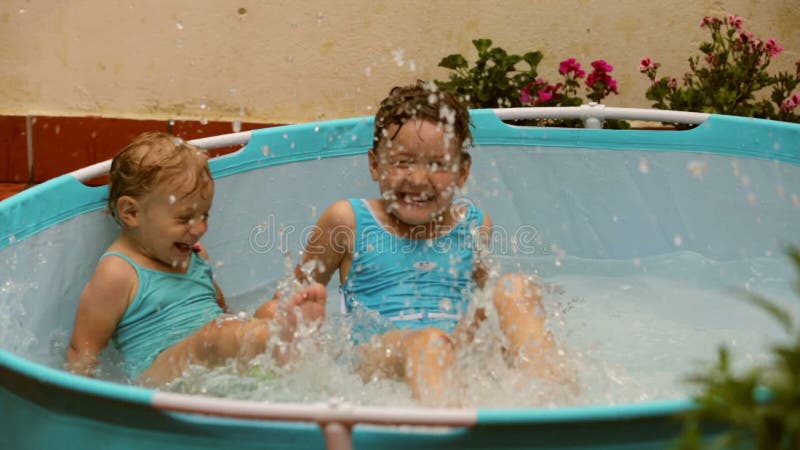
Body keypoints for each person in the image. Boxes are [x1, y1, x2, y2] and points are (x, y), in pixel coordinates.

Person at [297, 82, 570, 404]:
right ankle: (451, 430)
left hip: (454, 351)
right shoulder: (347, 221)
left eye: (438, 165)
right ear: (374, 164)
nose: (418, 179)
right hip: (379, 356)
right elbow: (290, 307)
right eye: (402, 162)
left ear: (462, 172)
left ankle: (554, 403)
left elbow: (482, 304)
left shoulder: (474, 225)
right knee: (428, 343)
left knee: (515, 287)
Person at [65, 132, 326, 386]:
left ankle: (282, 345)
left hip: (205, 359)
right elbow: (83, 350)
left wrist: (246, 326)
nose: (199, 229)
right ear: (131, 212)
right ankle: (281, 340)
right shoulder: (119, 271)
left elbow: (220, 311)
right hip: (158, 372)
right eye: (184, 219)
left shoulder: (195, 256)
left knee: (266, 312)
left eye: (205, 216)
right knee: (212, 337)